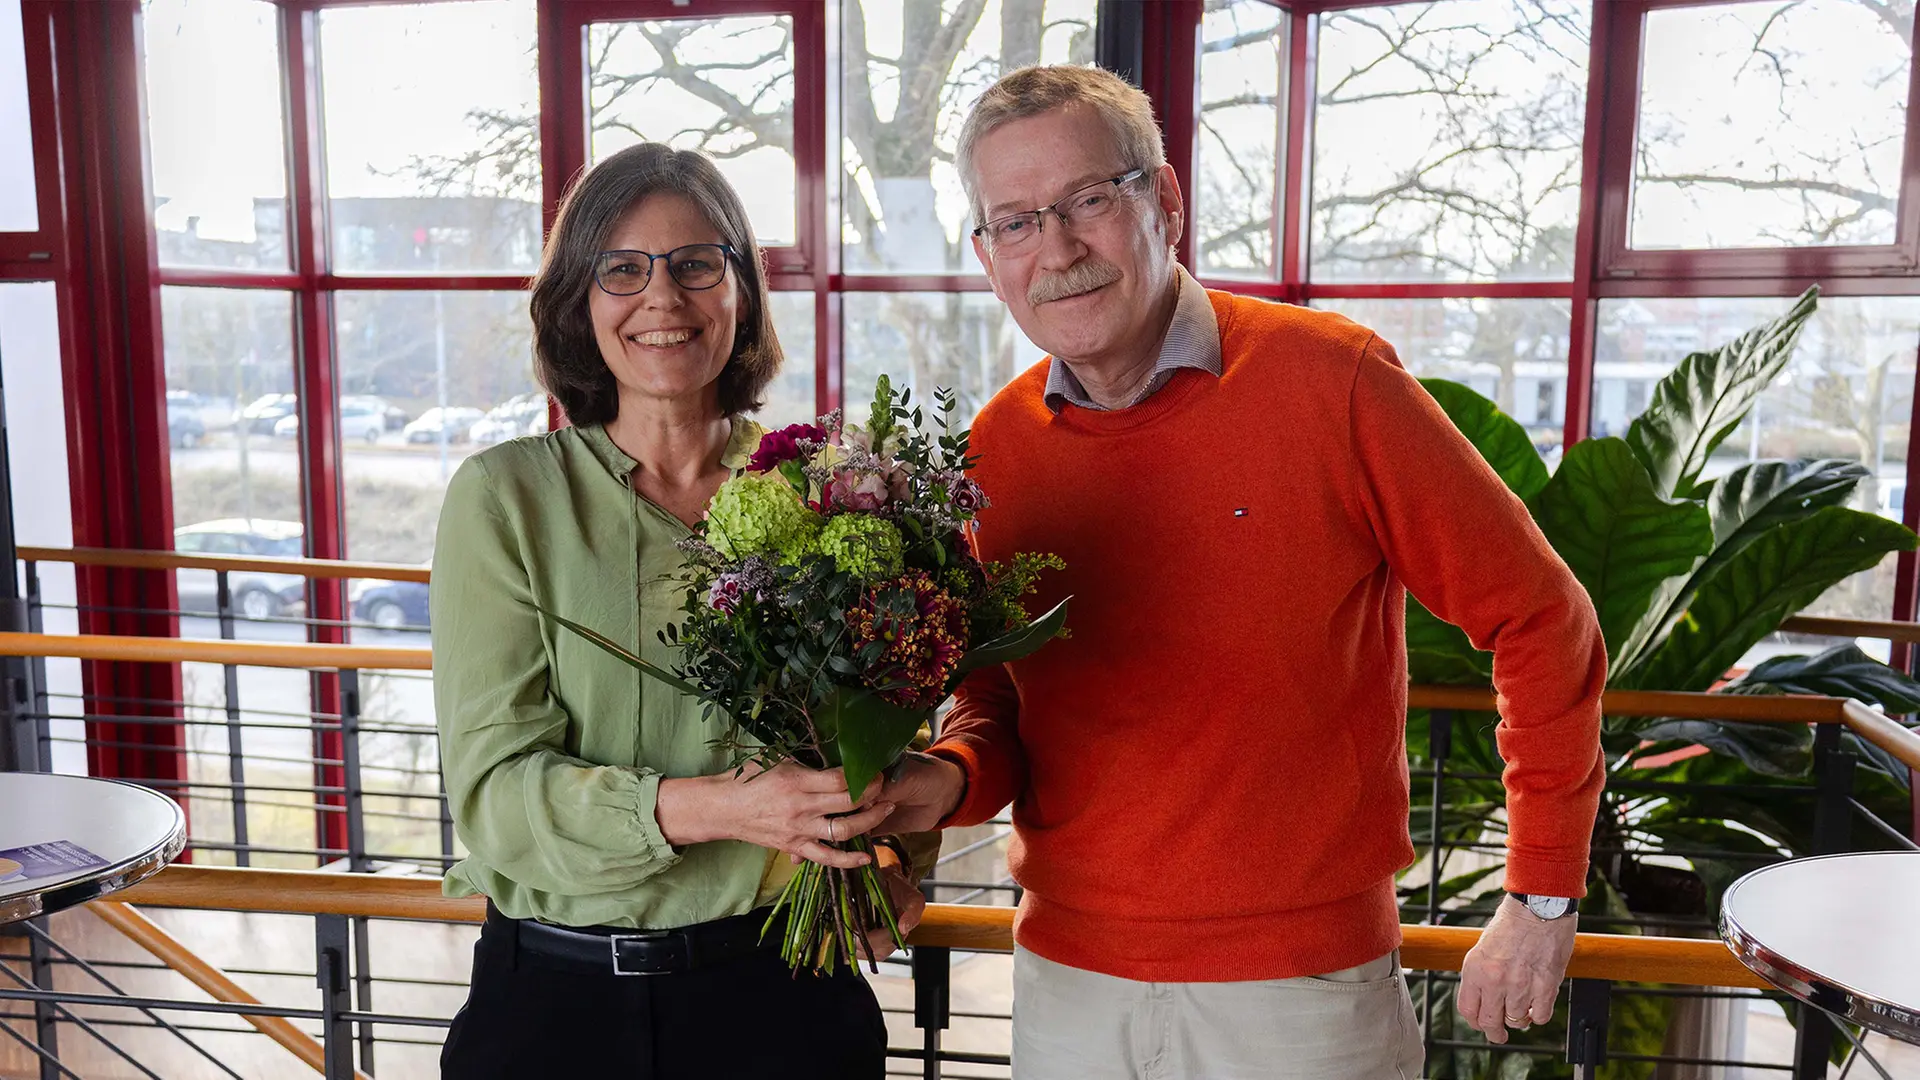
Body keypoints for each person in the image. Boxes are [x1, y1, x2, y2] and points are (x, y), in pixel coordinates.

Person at [877, 65, 1606, 1079]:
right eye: (1017, 222)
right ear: (987, 255)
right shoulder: (996, 449)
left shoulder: (1335, 381)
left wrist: (1541, 895)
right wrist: (945, 778)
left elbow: (1542, 616)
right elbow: (997, 701)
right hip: (1067, 990)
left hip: (1302, 999)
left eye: (1090, 199)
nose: (1059, 249)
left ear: (1165, 201)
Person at [432, 142, 930, 1080]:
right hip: (555, 1009)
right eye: (622, 269)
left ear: (740, 292)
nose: (662, 299)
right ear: (580, 299)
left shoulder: (834, 485)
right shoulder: (504, 500)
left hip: (787, 995)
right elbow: (494, 800)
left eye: (697, 264)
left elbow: (881, 726)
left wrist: (890, 855)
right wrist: (727, 809)